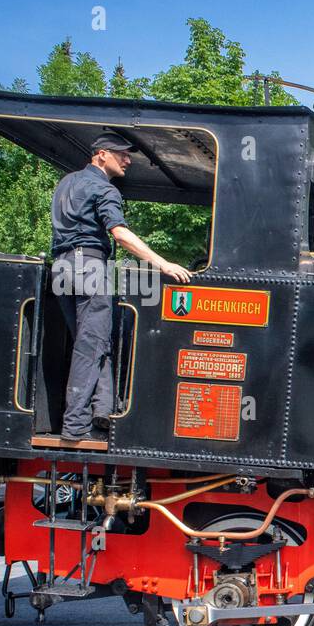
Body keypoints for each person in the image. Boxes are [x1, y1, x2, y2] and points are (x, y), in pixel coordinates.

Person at [50, 131, 191, 441]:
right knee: (92, 345)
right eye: (121, 154)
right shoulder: (105, 189)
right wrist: (163, 264)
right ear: (102, 154)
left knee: (92, 342)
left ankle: (103, 411)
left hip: (62, 268)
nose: (128, 160)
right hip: (90, 266)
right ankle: (74, 426)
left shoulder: (66, 183)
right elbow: (121, 235)